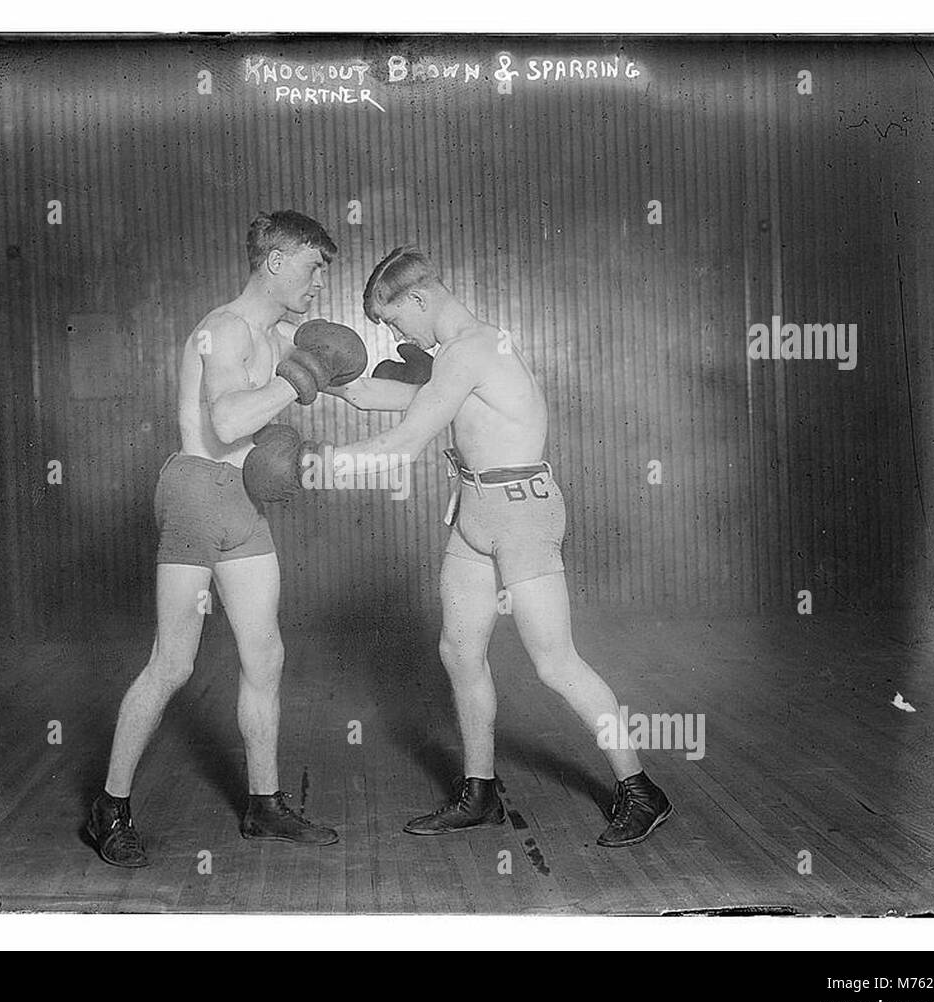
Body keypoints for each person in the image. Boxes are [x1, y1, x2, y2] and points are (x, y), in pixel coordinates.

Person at [243, 246, 673, 846]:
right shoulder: (455, 359)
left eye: (395, 321)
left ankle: (640, 790)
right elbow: (374, 396)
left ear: (418, 299)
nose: (397, 334)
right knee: (460, 652)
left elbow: (405, 442)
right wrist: (302, 359)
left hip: (522, 513)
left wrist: (318, 464)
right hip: (473, 509)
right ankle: (481, 792)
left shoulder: (476, 348)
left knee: (555, 661)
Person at [85, 211, 365, 867]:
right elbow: (230, 415)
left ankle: (264, 804)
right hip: (195, 491)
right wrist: (298, 378)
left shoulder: (283, 335)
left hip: (245, 499)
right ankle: (110, 807)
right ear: (275, 261)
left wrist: (426, 387)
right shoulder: (222, 330)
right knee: (173, 663)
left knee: (265, 656)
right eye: (313, 265)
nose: (321, 280)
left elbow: (355, 384)